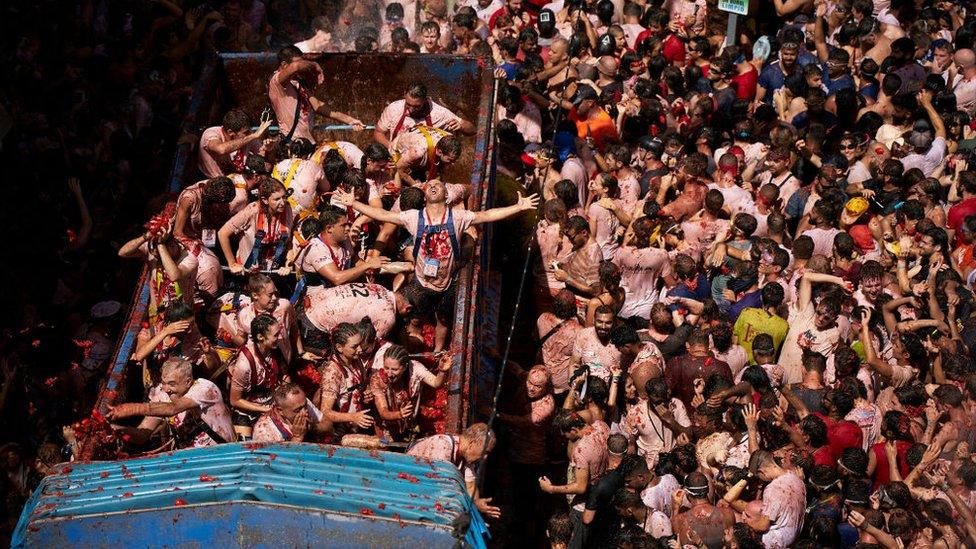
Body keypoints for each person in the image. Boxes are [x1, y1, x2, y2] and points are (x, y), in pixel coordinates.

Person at [333, 178, 539, 350]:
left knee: (444, 321)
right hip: (421, 284)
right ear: (424, 196)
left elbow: (487, 215)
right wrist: (354, 204)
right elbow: (383, 215)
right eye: (429, 185)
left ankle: (438, 351)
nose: (432, 186)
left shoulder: (459, 217)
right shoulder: (413, 217)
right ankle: (409, 346)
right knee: (408, 316)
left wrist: (518, 207)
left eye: (438, 185)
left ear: (445, 195)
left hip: (448, 284)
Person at [108, 358, 234, 448]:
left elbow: (173, 408)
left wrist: (132, 409)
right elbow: (142, 435)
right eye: (164, 382)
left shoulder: (204, 388)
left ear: (188, 382)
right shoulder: (163, 396)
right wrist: (116, 429)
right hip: (190, 461)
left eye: (172, 384)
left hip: (222, 453)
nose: (166, 389)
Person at [539, 411, 610, 549]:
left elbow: (580, 486)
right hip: (602, 497)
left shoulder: (581, 449)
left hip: (583, 506)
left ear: (573, 430)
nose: (565, 438)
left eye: (565, 435)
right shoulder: (602, 426)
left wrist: (551, 488)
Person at [268, 46, 364, 143]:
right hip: (292, 143)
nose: (303, 66)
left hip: (308, 143)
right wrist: (314, 65)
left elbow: (317, 105)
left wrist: (350, 120)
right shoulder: (276, 82)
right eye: (300, 62)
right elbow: (296, 66)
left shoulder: (297, 81)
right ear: (284, 65)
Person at [407, 423, 502, 518]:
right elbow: (439, 485)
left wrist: (476, 503)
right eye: (485, 452)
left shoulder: (466, 459)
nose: (485, 457)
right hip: (409, 492)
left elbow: (470, 486)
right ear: (472, 443)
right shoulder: (442, 445)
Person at [370, 344, 451, 440]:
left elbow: (435, 383)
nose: (389, 374)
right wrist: (399, 414)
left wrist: (442, 371)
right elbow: (383, 412)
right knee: (385, 447)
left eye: (395, 370)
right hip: (385, 428)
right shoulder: (378, 379)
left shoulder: (415, 368)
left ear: (404, 367)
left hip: (408, 424)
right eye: (386, 368)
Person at [218, 176, 295, 275]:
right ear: (265, 200)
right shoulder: (252, 211)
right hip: (248, 271)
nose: (282, 202)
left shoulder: (287, 210)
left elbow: (288, 241)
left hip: (273, 271)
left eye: (284, 197)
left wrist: (288, 264)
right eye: (277, 199)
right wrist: (232, 264)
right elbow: (222, 233)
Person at [228, 314, 287, 439]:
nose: (279, 337)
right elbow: (235, 400)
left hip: (273, 401)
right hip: (248, 410)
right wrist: (263, 409)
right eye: (275, 335)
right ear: (260, 337)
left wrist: (285, 397)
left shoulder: (275, 349)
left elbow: (285, 375)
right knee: (246, 447)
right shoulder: (244, 364)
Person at [374, 84, 475, 148]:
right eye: (408, 104)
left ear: (425, 100)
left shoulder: (439, 113)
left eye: (416, 106)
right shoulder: (394, 108)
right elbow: (378, 132)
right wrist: (390, 146)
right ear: (404, 95)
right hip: (397, 160)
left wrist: (461, 126)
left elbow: (472, 130)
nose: (410, 110)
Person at [197, 109, 271, 178]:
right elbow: (221, 149)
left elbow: (262, 156)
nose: (249, 134)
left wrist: (268, 149)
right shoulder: (211, 133)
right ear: (230, 132)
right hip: (210, 180)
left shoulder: (248, 137)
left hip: (237, 180)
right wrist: (254, 136)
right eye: (245, 132)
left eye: (250, 131)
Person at [251, 383, 332, 442]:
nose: (305, 412)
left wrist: (312, 427)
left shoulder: (302, 403)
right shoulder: (264, 431)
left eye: (305, 406)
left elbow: (329, 425)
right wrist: (297, 437)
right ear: (280, 411)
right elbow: (275, 463)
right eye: (297, 410)